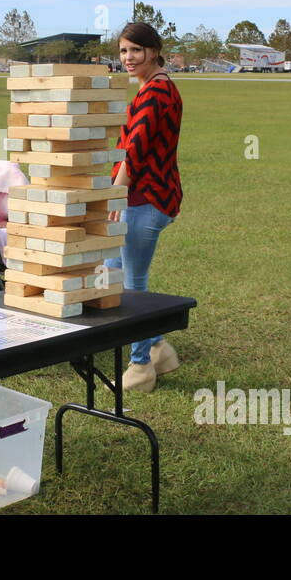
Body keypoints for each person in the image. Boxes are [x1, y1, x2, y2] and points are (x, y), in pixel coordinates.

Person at [104, 21, 184, 393]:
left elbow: (134, 150)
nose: (128, 58)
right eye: (123, 51)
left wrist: (116, 193)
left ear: (153, 51)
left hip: (145, 199)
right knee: (114, 275)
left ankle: (139, 370)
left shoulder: (157, 92)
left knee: (134, 288)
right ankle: (158, 350)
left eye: (135, 50)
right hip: (141, 197)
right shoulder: (150, 89)